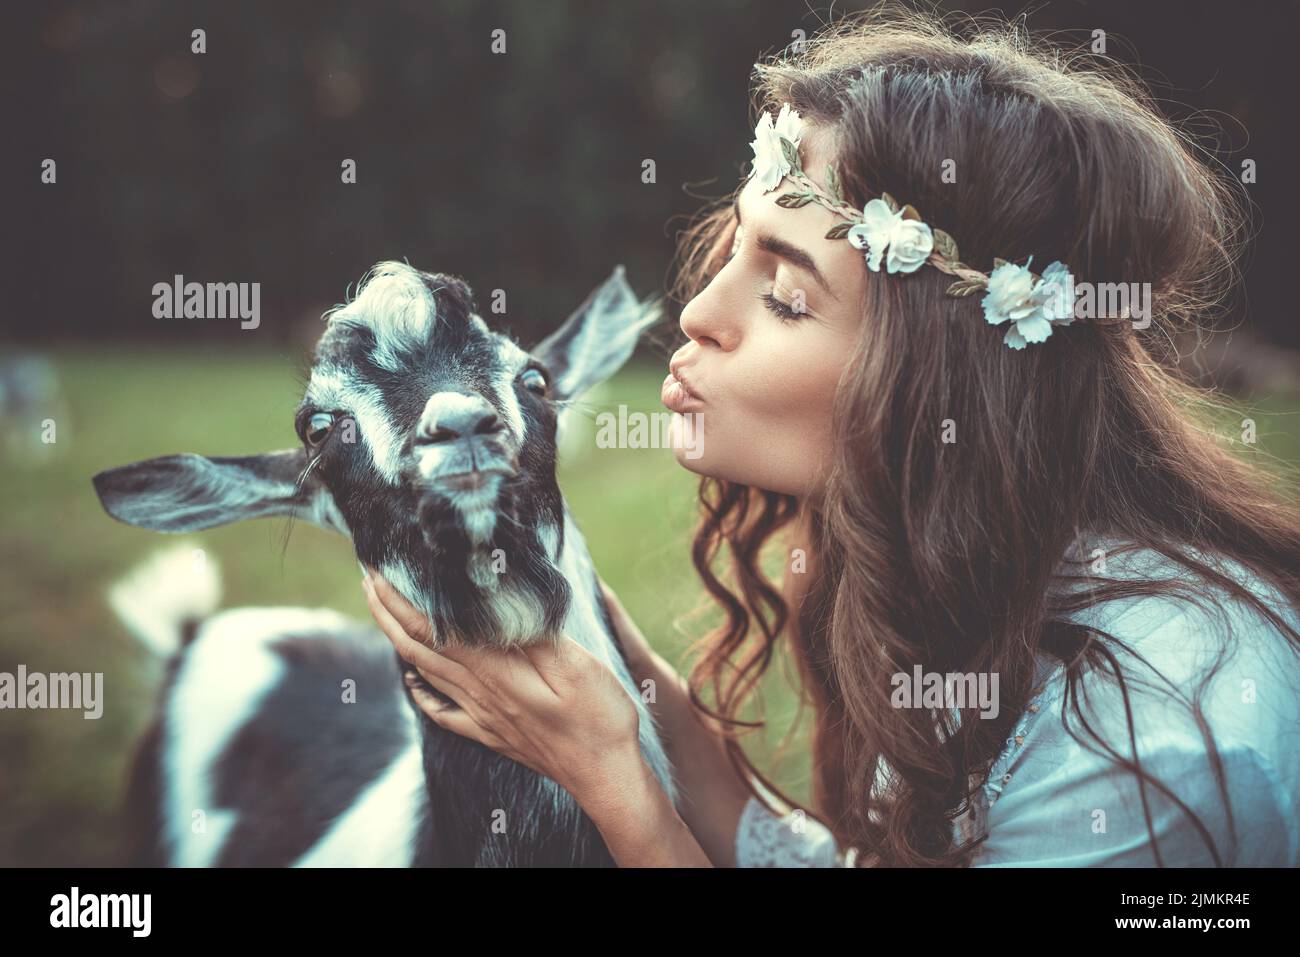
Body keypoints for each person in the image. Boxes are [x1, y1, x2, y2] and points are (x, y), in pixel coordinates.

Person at [361, 9, 1300, 867]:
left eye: (785, 296)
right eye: (734, 250)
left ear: (942, 375)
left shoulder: (1151, 740)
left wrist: (618, 785)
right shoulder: (977, 575)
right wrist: (616, 664)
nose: (694, 314)